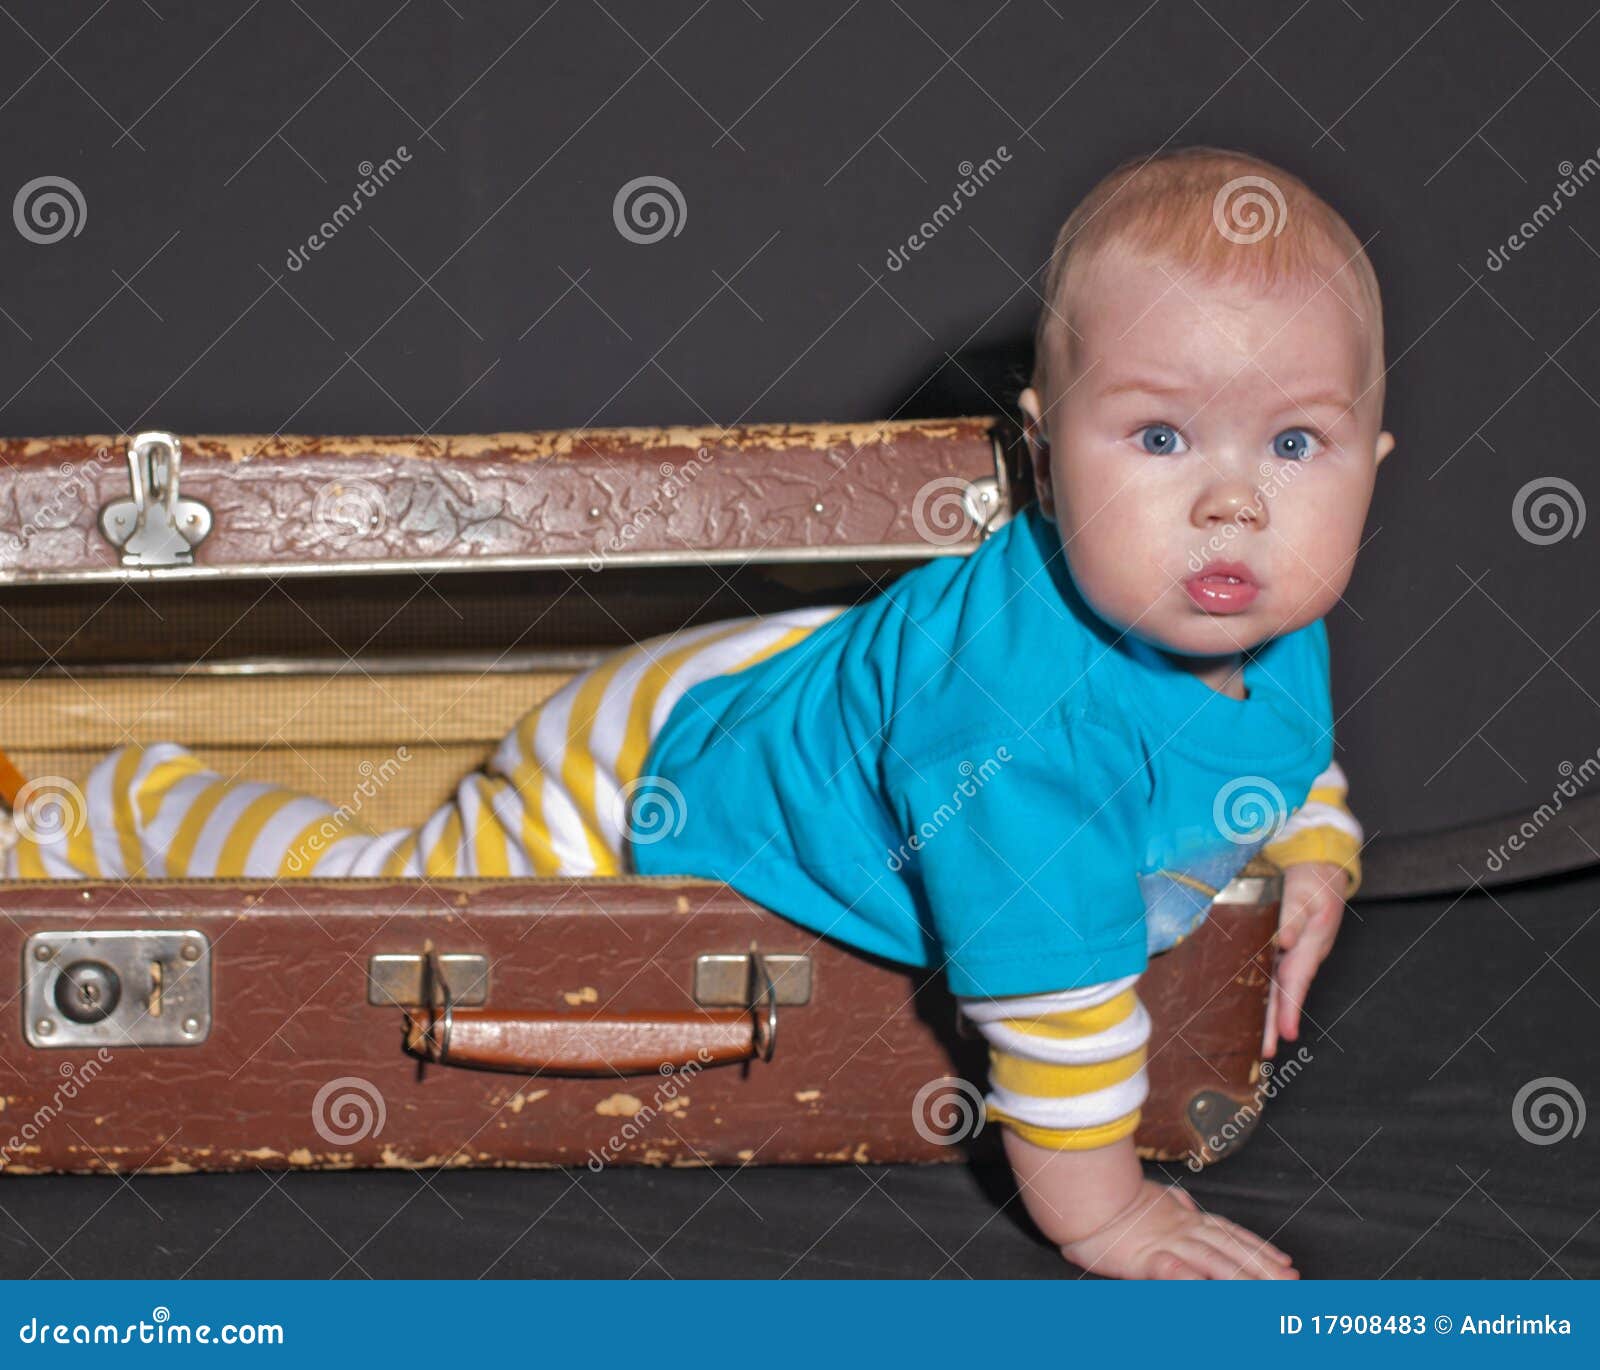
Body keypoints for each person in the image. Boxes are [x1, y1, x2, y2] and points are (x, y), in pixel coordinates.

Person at [2, 146, 1387, 1280]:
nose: (1233, 499)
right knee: (394, 893)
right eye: (1157, 436)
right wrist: (1109, 1212)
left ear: (1370, 464)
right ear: (1037, 451)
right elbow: (1057, 1012)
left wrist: (1316, 842)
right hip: (628, 776)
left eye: (1294, 443)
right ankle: (130, 796)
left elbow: (1269, 740)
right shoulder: (1015, 731)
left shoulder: (1259, 600)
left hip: (805, 701)